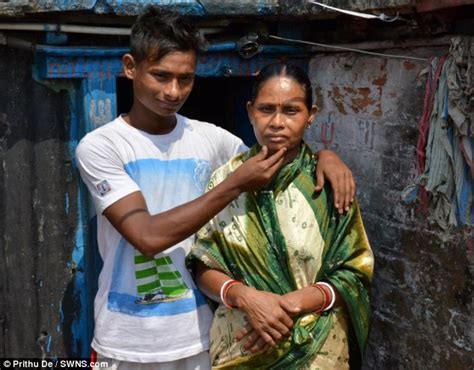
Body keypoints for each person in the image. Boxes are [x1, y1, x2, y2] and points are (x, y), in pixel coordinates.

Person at [76, 6, 356, 369]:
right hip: (127, 339)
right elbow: (146, 236)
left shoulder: (210, 139)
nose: (173, 91)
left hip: (200, 334)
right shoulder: (102, 146)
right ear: (131, 67)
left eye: (185, 79)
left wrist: (327, 156)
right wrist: (234, 185)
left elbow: (281, 159)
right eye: (160, 76)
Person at [188, 63, 374, 369]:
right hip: (242, 345)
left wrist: (284, 308)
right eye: (266, 109)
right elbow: (202, 263)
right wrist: (247, 299)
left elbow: (355, 272)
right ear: (249, 112)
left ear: (311, 115)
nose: (277, 122)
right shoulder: (226, 179)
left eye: (291, 110)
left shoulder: (328, 184)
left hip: (316, 350)